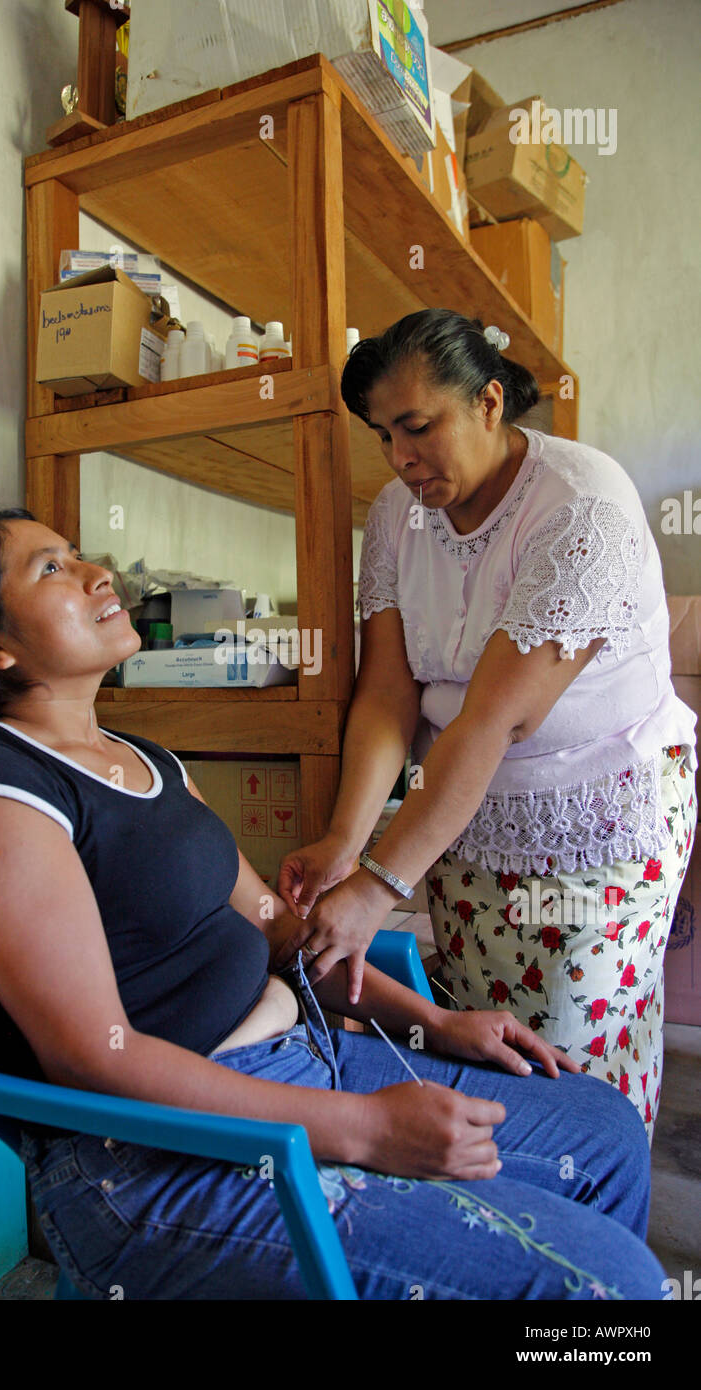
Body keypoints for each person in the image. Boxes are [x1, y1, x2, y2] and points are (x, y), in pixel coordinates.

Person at [0, 508, 669, 1301]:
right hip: (159, 1158)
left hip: (302, 1058)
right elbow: (94, 1058)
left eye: (79, 555)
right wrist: (364, 1131)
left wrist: (431, 1023)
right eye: (50, 569)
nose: (99, 575)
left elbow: (272, 929)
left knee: (603, 1133)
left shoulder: (144, 761)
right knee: (612, 1286)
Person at [276, 309, 697, 1143]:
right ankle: (506, 1235)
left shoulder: (582, 508)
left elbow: (492, 721)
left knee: (573, 1056)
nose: (400, 459)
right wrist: (345, 843)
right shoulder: (400, 516)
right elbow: (388, 694)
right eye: (382, 435)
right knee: (483, 1037)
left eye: (418, 427)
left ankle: (599, 1246)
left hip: (599, 819)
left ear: (490, 403)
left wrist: (378, 888)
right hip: (461, 822)